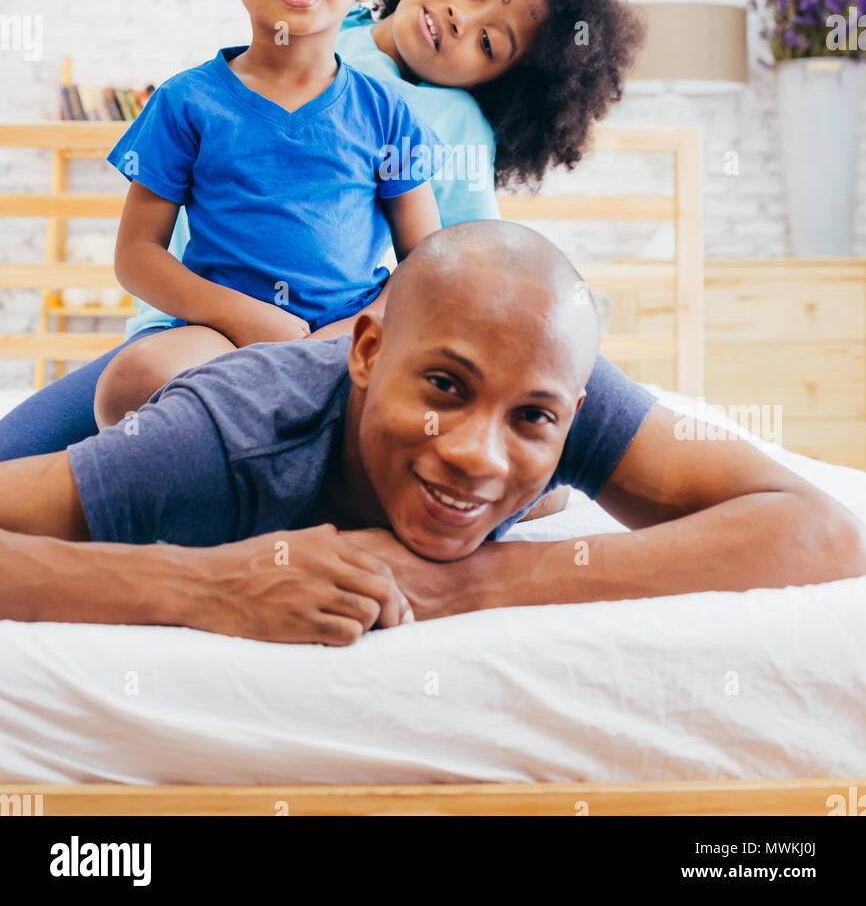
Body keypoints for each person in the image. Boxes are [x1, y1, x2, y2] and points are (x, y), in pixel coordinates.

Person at [0, 0, 643, 459]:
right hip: (193, 328)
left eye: (488, 41)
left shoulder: (446, 123)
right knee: (37, 441)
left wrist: (361, 333)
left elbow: (449, 266)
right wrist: (231, 318)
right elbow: (147, 246)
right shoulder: (276, 41)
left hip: (343, 335)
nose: (459, 15)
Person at [0, 223, 862, 646]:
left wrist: (474, 583)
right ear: (369, 351)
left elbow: (822, 529)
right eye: (445, 387)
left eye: (531, 418)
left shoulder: (555, 385)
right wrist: (203, 587)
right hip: (184, 393)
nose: (477, 453)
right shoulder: (220, 442)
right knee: (139, 380)